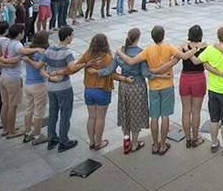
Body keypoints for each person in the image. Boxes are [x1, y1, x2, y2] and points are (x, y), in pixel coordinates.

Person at [116, 26, 181, 155]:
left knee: (154, 117)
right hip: (167, 85)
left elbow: (130, 61)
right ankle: (163, 145)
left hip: (153, 88)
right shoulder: (169, 47)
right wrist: (172, 61)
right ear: (163, 36)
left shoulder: (147, 50)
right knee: (165, 116)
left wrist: (119, 52)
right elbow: (180, 56)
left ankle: (155, 145)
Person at [101, 28, 166, 154]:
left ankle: (126, 139)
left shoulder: (121, 52)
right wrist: (159, 75)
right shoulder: (140, 52)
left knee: (126, 112)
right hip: (138, 87)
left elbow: (109, 70)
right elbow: (145, 73)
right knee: (136, 114)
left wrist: (97, 72)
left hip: (124, 86)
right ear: (138, 38)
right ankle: (135, 143)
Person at [68, 33, 135, 151]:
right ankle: (99, 142)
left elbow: (75, 66)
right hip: (102, 90)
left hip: (89, 90)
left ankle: (92, 142)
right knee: (100, 118)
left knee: (91, 117)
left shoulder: (87, 55)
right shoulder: (108, 58)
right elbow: (112, 74)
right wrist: (124, 79)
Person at [191, 26, 223, 156]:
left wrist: (190, 49)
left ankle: (214, 144)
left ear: (217, 36)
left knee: (214, 119)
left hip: (213, 90)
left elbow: (197, 61)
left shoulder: (210, 49)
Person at [43, 26, 79, 152]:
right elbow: (72, 68)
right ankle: (64, 141)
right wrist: (82, 65)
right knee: (65, 114)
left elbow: (41, 66)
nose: (72, 37)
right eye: (72, 35)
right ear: (68, 36)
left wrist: (49, 76)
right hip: (63, 87)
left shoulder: (49, 49)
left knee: (53, 112)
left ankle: (51, 137)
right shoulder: (67, 52)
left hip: (51, 87)